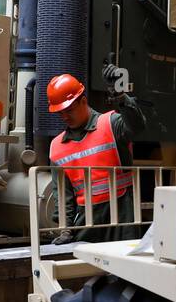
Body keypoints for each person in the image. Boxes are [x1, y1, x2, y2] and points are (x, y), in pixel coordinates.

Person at [47, 66, 147, 242]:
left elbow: (138, 126)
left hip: (122, 216)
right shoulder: (57, 147)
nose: (65, 116)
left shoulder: (111, 123)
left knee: (122, 268)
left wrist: (120, 96)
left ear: (83, 101)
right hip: (87, 222)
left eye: (69, 110)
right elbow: (63, 196)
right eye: (60, 112)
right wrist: (66, 230)